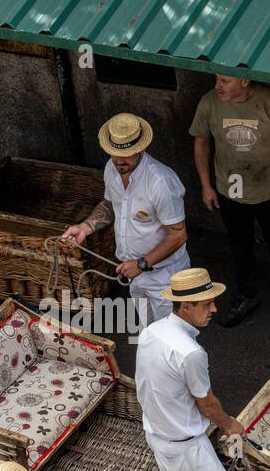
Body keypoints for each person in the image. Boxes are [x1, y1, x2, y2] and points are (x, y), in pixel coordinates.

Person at [135, 267, 244, 471]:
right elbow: (207, 404)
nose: (214, 309)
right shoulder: (192, 353)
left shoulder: (152, 332)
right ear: (185, 307)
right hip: (184, 442)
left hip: (158, 433)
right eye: (207, 304)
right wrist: (231, 426)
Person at [190, 75, 270, 326]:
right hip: (230, 190)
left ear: (244, 81)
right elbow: (201, 144)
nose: (217, 86)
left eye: (224, 81)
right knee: (239, 244)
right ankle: (246, 295)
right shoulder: (210, 102)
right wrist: (206, 186)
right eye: (215, 79)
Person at [61, 113, 189, 325]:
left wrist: (142, 263)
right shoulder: (111, 169)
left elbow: (178, 235)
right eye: (114, 153)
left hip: (165, 276)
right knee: (148, 333)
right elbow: (111, 205)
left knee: (172, 339)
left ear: (140, 148)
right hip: (136, 273)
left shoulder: (161, 182)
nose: (119, 161)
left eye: (127, 154)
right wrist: (85, 227)